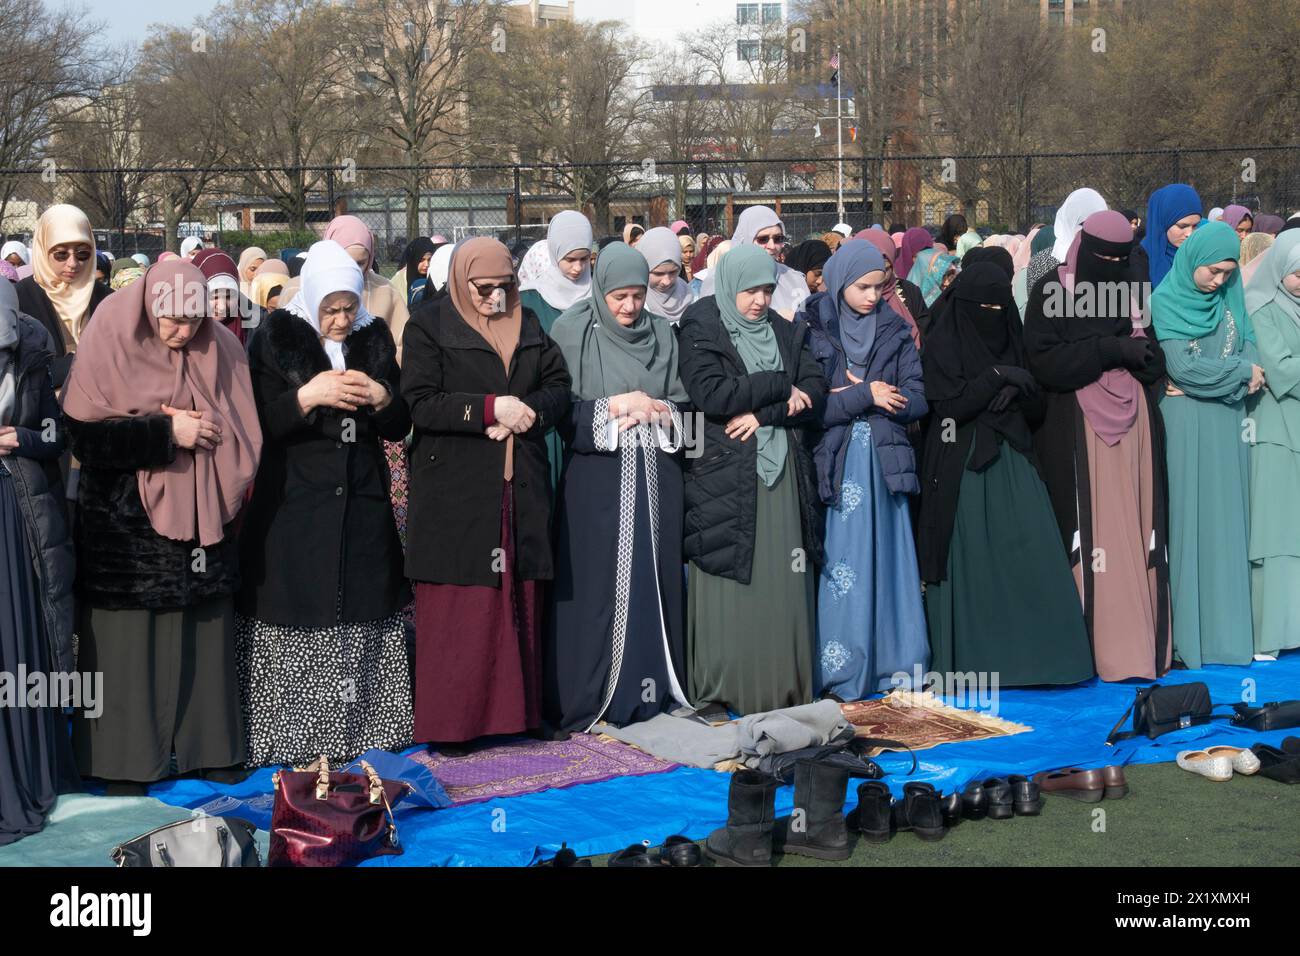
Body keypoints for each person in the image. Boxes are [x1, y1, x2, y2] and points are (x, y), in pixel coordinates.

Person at [62, 260, 262, 788]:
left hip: (204, 519)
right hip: (125, 529)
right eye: (172, 319)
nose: (183, 331)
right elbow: (85, 438)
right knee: (127, 645)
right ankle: (122, 760)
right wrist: (165, 430)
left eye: (194, 320)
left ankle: (208, 747)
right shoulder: (110, 332)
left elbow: (245, 426)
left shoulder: (220, 345)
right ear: (149, 307)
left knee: (203, 635)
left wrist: (207, 430)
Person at [236, 240, 412, 766]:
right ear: (309, 299)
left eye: (348, 306)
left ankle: (361, 733)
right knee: (297, 609)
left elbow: (400, 424)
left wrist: (383, 400)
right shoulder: (275, 339)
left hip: (360, 503)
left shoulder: (374, 338)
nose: (339, 319)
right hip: (294, 504)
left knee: (360, 616)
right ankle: (290, 739)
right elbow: (255, 424)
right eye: (329, 308)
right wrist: (304, 399)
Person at [402, 238, 571, 744]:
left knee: (519, 598)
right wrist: (491, 409)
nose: (495, 298)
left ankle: (518, 716)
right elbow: (422, 403)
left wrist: (528, 412)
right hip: (458, 492)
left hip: (519, 486)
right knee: (465, 607)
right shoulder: (428, 325)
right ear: (460, 281)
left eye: (505, 286)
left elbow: (559, 388)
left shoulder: (531, 325)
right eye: (483, 288)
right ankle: (456, 724)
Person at [918, 262, 1093, 687]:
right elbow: (950, 407)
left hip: (1016, 463)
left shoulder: (1012, 333)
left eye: (999, 305)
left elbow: (1037, 409)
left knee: (1030, 555)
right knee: (973, 564)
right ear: (964, 305)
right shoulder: (942, 343)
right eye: (983, 306)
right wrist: (998, 377)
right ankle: (978, 664)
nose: (992, 313)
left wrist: (1020, 387)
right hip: (963, 469)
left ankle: (1042, 661)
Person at [545, 243, 691, 732]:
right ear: (600, 289)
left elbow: (689, 414)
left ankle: (650, 688)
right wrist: (613, 406)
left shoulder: (663, 335)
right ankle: (596, 694)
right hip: (597, 485)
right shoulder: (571, 332)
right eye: (619, 297)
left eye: (637, 295)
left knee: (653, 581)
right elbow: (558, 411)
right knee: (595, 587)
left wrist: (660, 410)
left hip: (657, 480)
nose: (630, 308)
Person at [677, 245, 827, 716]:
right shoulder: (701, 325)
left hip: (780, 479)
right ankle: (730, 687)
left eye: (767, 289)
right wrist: (783, 387)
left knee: (782, 583)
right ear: (728, 286)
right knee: (732, 580)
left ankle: (782, 685)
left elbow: (817, 388)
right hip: (725, 479)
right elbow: (714, 395)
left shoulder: (786, 330)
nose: (760, 300)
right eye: (750, 291)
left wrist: (764, 415)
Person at [1023, 211, 1172, 681]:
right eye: (1101, 256)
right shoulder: (1052, 291)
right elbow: (1045, 363)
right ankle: (1094, 651)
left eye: (1119, 257)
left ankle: (1138, 647)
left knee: (1135, 531)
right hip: (1077, 434)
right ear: (1083, 249)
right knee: (1091, 536)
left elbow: (1154, 360)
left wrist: (1139, 353)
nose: (1110, 264)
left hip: (1134, 433)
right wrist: (1110, 352)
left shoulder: (1131, 292)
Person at [800, 241, 928, 700]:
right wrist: (863, 395)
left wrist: (886, 397)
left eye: (880, 286)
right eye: (863, 287)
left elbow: (918, 398)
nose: (874, 296)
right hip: (835, 462)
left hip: (884, 462)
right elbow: (807, 407)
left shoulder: (894, 328)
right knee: (844, 563)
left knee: (889, 561)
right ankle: (842, 670)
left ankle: (895, 663)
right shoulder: (811, 328)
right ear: (839, 284)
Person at [1152, 221, 1260, 668]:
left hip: (1227, 423)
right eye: (1213, 271)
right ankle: (1191, 639)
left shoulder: (1230, 296)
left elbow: (1251, 349)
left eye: (1227, 273)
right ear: (1194, 261)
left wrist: (1238, 369)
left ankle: (1226, 636)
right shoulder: (1164, 301)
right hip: (1186, 425)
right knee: (1190, 522)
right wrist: (1237, 373)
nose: (1219, 281)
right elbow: (1183, 369)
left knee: (1226, 524)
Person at [0, 281, 78, 843]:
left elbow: (56, 433)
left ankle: (23, 771)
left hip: (17, 513)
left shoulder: (30, 344)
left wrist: (21, 436)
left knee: (16, 644)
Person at [1246, 231, 1300, 660]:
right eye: (1297, 273)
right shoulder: (1259, 306)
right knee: (1275, 533)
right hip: (1275, 431)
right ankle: (1271, 634)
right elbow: (1280, 372)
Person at [519, 211, 595, 488]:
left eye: (584, 259)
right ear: (553, 254)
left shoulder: (601, 295)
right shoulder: (529, 299)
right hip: (547, 419)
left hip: (589, 414)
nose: (577, 268)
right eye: (570, 260)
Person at [16, 205, 109, 387]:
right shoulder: (18, 299)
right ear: (43, 249)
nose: (73, 264)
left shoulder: (108, 299)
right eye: (61, 254)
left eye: (83, 254)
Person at [697, 207, 810, 320]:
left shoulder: (793, 279)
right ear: (745, 240)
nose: (772, 246)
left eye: (778, 238)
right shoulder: (720, 279)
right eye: (763, 239)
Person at [856, 227, 928, 347]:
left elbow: (926, 334)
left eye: (885, 268)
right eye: (871, 268)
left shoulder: (908, 291)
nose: (879, 276)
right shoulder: (845, 296)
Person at [1136, 184, 1202, 288]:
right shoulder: (1140, 258)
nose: (1189, 234)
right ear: (1163, 223)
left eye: (1195, 226)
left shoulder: (1201, 254)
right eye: (1182, 226)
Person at [636, 226, 694, 325]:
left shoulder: (690, 296)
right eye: (658, 273)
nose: (666, 281)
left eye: (673, 272)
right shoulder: (634, 304)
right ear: (643, 268)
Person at [192, 249, 250, 346]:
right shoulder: (182, 331)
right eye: (214, 297)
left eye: (229, 296)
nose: (222, 307)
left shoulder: (251, 328)